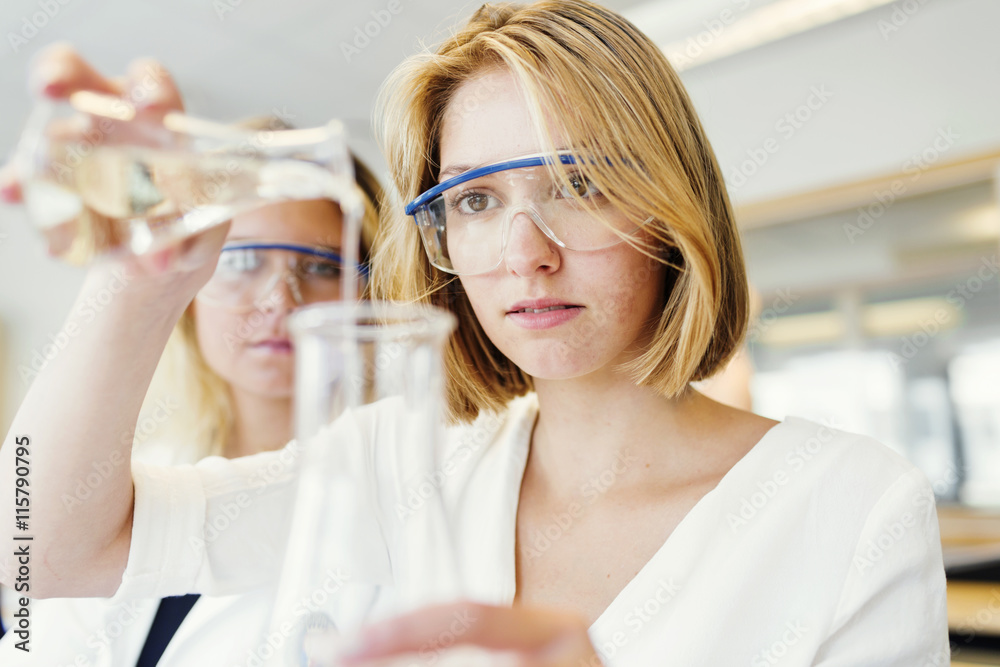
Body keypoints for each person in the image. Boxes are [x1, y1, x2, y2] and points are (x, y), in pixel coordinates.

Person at [0, 3, 949, 665]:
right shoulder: (396, 467)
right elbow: (44, 553)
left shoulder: (853, 506)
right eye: (476, 199)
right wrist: (132, 283)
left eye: (579, 182)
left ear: (674, 205)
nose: (522, 252)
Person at [0, 92, 384, 665]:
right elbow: (31, 566)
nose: (280, 301)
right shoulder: (105, 488)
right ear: (189, 291)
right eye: (242, 260)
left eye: (323, 267)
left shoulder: (389, 497)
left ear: (372, 296)